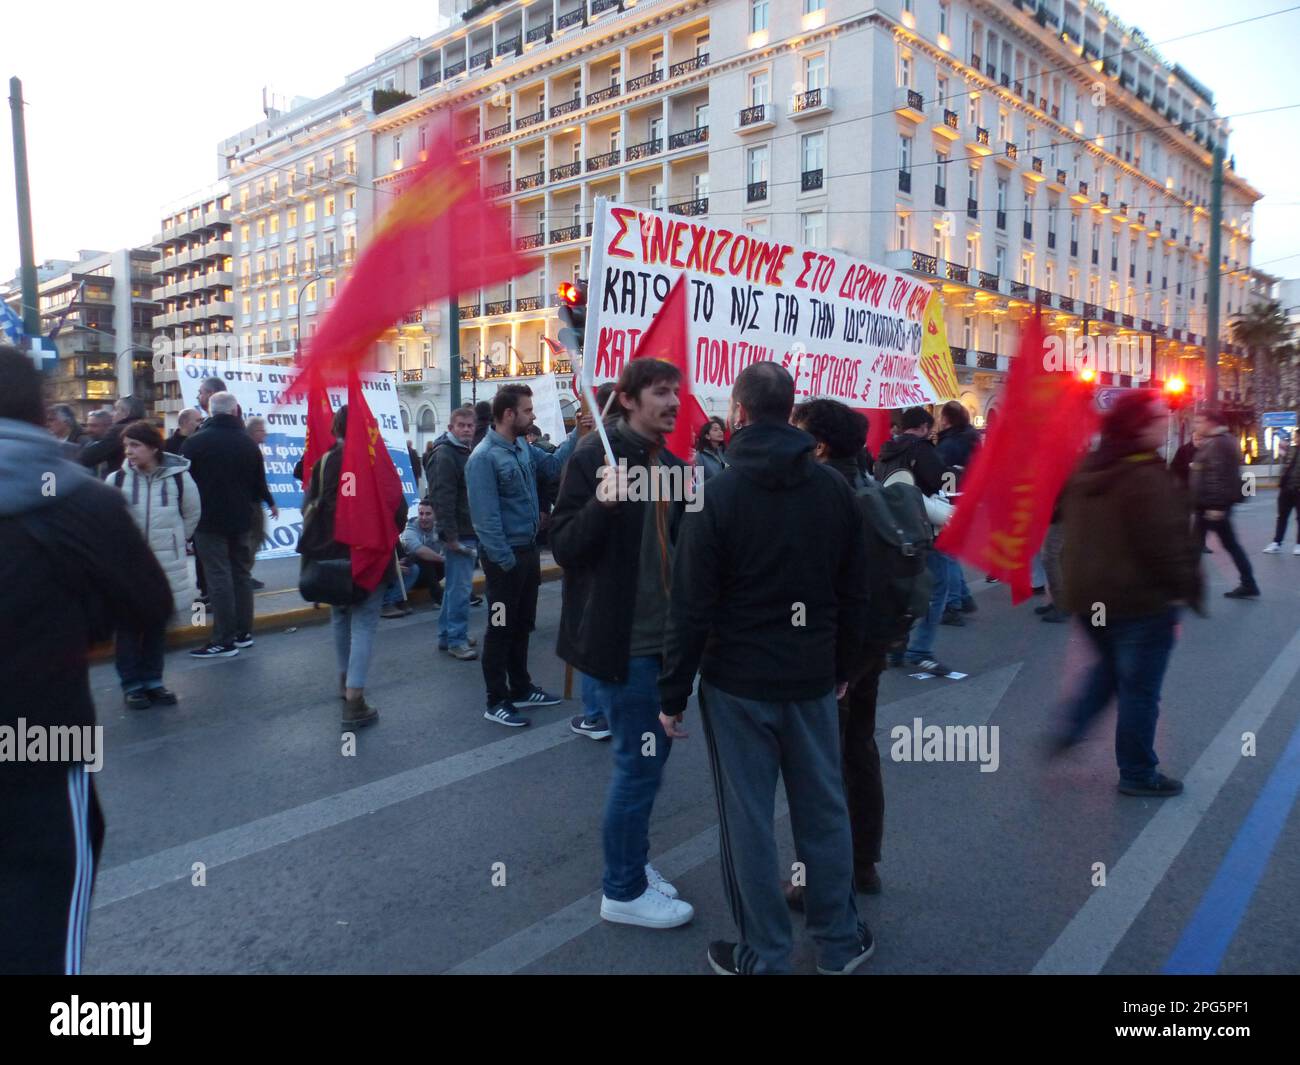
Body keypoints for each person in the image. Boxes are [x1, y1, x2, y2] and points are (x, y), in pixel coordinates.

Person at [660, 361, 874, 976]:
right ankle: (838, 942)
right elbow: (853, 592)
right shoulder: (834, 488)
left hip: (737, 683)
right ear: (792, 412)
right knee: (824, 811)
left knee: (747, 823)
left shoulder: (717, 493)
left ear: (740, 412)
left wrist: (672, 692)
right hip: (810, 678)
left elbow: (691, 603)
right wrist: (844, 668)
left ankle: (765, 954)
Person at [0, 346, 172, 974]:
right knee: (46, 906)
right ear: (43, 412)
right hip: (41, 736)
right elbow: (150, 603)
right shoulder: (79, 497)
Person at [551, 358, 696, 928]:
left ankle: (632, 863)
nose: (673, 403)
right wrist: (602, 505)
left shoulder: (678, 467)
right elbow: (564, 546)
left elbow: (694, 547)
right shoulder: (594, 458)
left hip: (667, 644)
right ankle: (623, 891)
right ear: (629, 399)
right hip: (623, 645)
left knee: (651, 764)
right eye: (661, 393)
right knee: (639, 765)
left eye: (676, 393)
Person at [1054, 392, 1203, 796]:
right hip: (1138, 600)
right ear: (1138, 425)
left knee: (1110, 669)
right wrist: (1187, 589)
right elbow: (1165, 544)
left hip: (1089, 599)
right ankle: (1138, 772)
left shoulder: (1089, 467)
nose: (1166, 420)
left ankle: (1074, 724)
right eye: (1158, 416)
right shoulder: (1145, 476)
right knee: (1140, 690)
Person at [790, 398, 891, 900]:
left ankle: (819, 881)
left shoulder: (824, 494)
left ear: (820, 445)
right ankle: (863, 863)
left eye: (799, 431)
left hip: (835, 652)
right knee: (859, 750)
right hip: (873, 642)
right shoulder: (869, 485)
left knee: (821, 765)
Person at [298, 405, 408, 728]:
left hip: (329, 557)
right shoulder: (372, 462)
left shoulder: (323, 463)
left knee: (339, 617)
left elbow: (308, 507)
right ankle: (355, 699)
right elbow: (396, 505)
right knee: (363, 624)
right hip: (367, 557)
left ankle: (344, 680)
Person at [465, 384, 566, 726]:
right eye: (527, 410)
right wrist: (505, 561)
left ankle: (521, 687)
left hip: (527, 552)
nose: (532, 415)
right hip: (504, 560)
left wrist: (581, 437)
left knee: (522, 624)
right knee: (499, 627)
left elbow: (553, 468)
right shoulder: (483, 458)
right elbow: (485, 519)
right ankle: (496, 699)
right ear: (508, 414)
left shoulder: (522, 446)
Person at [110, 420, 201, 709]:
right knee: (126, 629)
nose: (129, 451)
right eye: (126, 446)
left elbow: (192, 513)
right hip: (127, 567)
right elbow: (105, 519)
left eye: (135, 445)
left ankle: (153, 681)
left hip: (165, 566)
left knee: (155, 627)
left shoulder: (178, 478)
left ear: (153, 447)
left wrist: (176, 540)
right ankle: (132, 685)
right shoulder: (117, 480)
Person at [182, 391, 277, 658]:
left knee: (218, 577)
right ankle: (243, 633)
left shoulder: (195, 443)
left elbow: (183, 484)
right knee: (241, 576)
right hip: (242, 520)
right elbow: (259, 483)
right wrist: (268, 502)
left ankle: (223, 640)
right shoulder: (248, 444)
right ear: (235, 411)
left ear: (211, 411)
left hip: (208, 520)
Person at [875, 407, 955, 676]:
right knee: (938, 587)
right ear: (922, 426)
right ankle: (920, 650)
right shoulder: (921, 449)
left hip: (893, 529)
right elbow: (942, 481)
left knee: (904, 589)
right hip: (924, 529)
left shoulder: (885, 451)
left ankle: (896, 648)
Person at [1191, 409, 1258, 598]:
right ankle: (1248, 583)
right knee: (1225, 545)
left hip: (1211, 506)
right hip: (1210, 505)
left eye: (1199, 421)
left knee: (1199, 546)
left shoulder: (1218, 443)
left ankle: (1185, 588)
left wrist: (1217, 507)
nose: (1196, 425)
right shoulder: (1223, 440)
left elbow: (1217, 476)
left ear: (1210, 422)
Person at [431, 406, 480, 659]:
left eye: (470, 425)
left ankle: (447, 634)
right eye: (461, 425)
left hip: (465, 528)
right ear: (451, 428)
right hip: (459, 531)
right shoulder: (447, 455)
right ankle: (457, 640)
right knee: (460, 590)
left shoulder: (463, 451)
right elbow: (443, 497)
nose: (466, 429)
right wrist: (449, 535)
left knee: (454, 588)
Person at [934, 400, 979, 620]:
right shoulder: (970, 438)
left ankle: (954, 604)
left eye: (941, 417)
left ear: (947, 419)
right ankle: (964, 595)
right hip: (967, 500)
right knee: (951, 553)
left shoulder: (950, 444)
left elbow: (943, 475)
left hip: (952, 501)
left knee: (947, 554)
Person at [383, 501, 445, 618]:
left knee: (449, 560)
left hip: (426, 573)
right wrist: (393, 566)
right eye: (421, 514)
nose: (423, 518)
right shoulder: (410, 529)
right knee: (421, 559)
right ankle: (387, 603)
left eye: (428, 514)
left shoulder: (440, 527)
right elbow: (419, 551)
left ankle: (465, 595)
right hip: (410, 573)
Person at [79, 395, 145, 479]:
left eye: (116, 409)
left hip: (122, 480)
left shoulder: (119, 430)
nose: (112, 414)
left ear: (126, 413)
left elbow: (89, 457)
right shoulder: (147, 428)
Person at [1263, 430, 1300, 554]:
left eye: (1298, 436)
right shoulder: (1291, 449)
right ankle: (1276, 542)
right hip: (1286, 488)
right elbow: (1282, 460)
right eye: (1296, 436)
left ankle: (1298, 544)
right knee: (1282, 517)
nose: (1296, 438)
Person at [244, 416, 271, 589]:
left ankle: (244, 573)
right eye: (262, 430)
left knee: (256, 538)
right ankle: (243, 574)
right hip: (250, 504)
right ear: (253, 432)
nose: (265, 434)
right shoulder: (250, 450)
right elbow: (258, 481)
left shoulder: (251, 448)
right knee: (252, 539)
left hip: (251, 502)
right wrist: (271, 502)